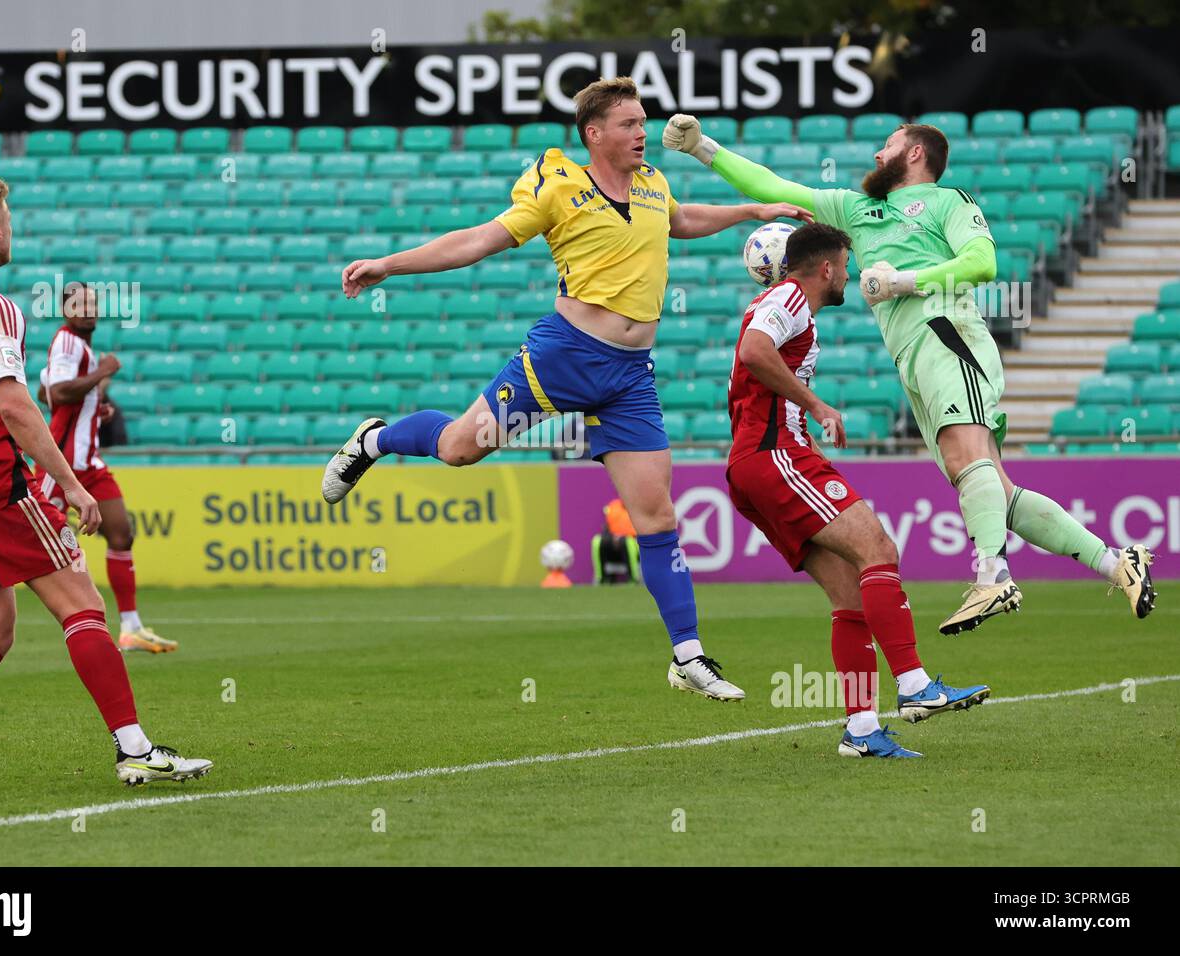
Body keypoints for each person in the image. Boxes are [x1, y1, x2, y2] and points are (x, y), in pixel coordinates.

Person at [325, 76, 814, 703]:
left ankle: (688, 654)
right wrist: (388, 264)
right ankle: (376, 439)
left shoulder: (652, 185)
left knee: (657, 515)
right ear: (594, 134)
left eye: (643, 122)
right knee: (457, 450)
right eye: (630, 124)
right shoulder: (560, 189)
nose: (643, 133)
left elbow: (682, 220)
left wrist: (751, 210)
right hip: (561, 359)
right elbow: (478, 240)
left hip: (629, 379)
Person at [664, 116, 1156, 635]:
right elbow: (775, 188)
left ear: (917, 153)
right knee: (995, 491)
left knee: (970, 466)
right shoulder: (855, 210)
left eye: (888, 146)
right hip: (913, 358)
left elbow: (982, 262)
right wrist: (703, 149)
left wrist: (906, 280)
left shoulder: (948, 201)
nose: (878, 155)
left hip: (948, 334)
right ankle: (1116, 562)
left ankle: (992, 576)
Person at [0, 176, 209, 792]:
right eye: (9, 218)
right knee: (83, 606)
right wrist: (72, 484)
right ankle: (135, 749)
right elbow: (14, 405)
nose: (12, 227)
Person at [726, 221, 989, 758]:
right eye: (844, 265)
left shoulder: (780, 301)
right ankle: (915, 686)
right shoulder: (792, 295)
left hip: (756, 460)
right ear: (826, 267)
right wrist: (818, 406)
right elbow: (754, 352)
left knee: (850, 593)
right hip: (776, 454)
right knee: (880, 549)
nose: (848, 274)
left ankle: (862, 729)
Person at [34, 282, 176, 653]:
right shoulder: (67, 341)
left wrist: (95, 409)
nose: (89, 309)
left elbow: (45, 391)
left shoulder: (79, 347)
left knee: (121, 534)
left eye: (93, 303)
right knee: (25, 536)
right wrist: (102, 373)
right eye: (80, 304)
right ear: (66, 311)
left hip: (90, 462)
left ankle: (130, 628)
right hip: (61, 462)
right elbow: (58, 392)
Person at [592, 498, 640, 584]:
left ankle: (633, 579)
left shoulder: (639, 506)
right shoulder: (613, 506)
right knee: (597, 541)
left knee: (628, 542)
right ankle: (601, 578)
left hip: (634, 539)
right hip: (613, 539)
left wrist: (622, 537)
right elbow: (608, 527)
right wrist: (613, 537)